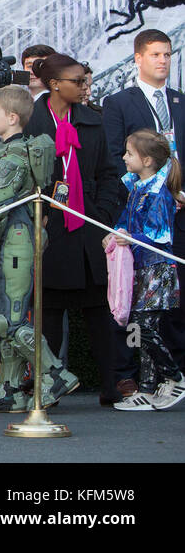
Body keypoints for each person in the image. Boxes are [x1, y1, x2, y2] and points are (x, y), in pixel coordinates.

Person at [0, 85, 80, 412]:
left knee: (13, 321)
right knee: (5, 319)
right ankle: (10, 388)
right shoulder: (12, 151)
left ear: (12, 118)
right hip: (18, 238)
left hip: (14, 240)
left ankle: (55, 373)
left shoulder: (12, 156)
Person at [24, 54, 125, 406]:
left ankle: (112, 385)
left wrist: (105, 215)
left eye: (84, 80)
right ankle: (47, 387)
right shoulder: (31, 121)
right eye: (77, 81)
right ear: (55, 85)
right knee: (49, 312)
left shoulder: (92, 120)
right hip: (49, 227)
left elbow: (109, 173)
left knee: (98, 309)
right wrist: (37, 217)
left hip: (89, 227)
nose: (85, 87)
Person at [102, 27, 185, 399]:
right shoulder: (119, 103)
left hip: (178, 213)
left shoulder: (181, 101)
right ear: (138, 58)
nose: (163, 61)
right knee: (135, 301)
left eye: (167, 54)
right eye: (155, 54)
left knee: (173, 300)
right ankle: (129, 374)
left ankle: (171, 376)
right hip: (141, 217)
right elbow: (114, 158)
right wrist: (150, 194)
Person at [106, 130, 185, 410]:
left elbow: (160, 233)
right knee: (140, 326)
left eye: (130, 153)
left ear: (148, 160)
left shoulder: (159, 192)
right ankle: (149, 390)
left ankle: (174, 377)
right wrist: (115, 232)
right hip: (140, 267)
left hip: (158, 268)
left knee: (143, 326)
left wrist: (130, 238)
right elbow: (126, 220)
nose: (124, 158)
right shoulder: (137, 187)